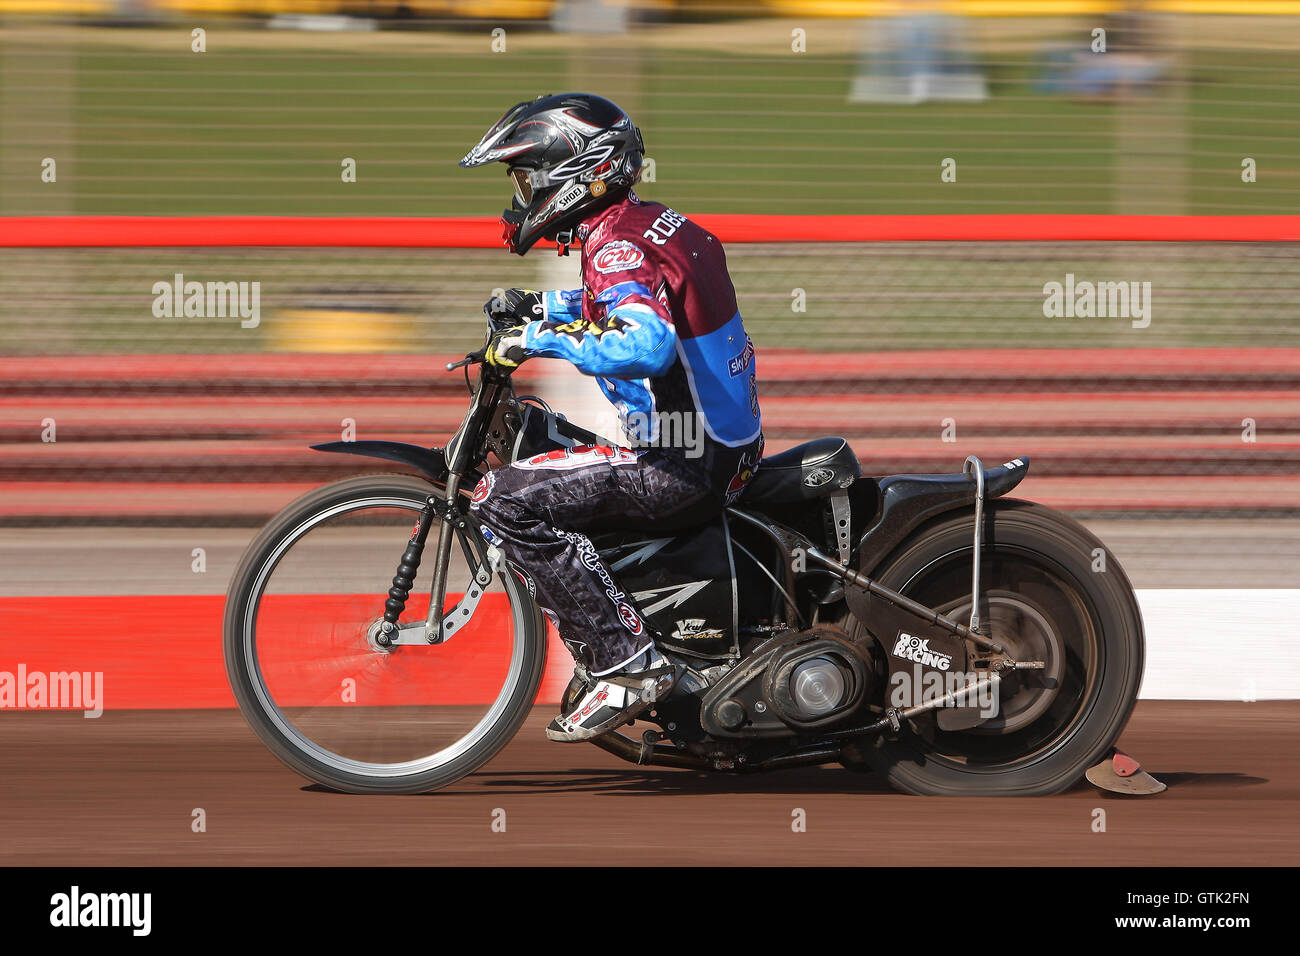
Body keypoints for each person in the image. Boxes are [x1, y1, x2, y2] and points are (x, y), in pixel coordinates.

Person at [460, 93, 763, 742]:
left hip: (681, 464)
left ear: (574, 173)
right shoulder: (650, 224)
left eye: (527, 180)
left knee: (500, 500)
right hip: (722, 448)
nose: (520, 199)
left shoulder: (613, 246)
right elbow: (631, 300)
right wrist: (543, 307)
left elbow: (646, 345)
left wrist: (536, 338)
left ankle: (625, 664)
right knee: (538, 437)